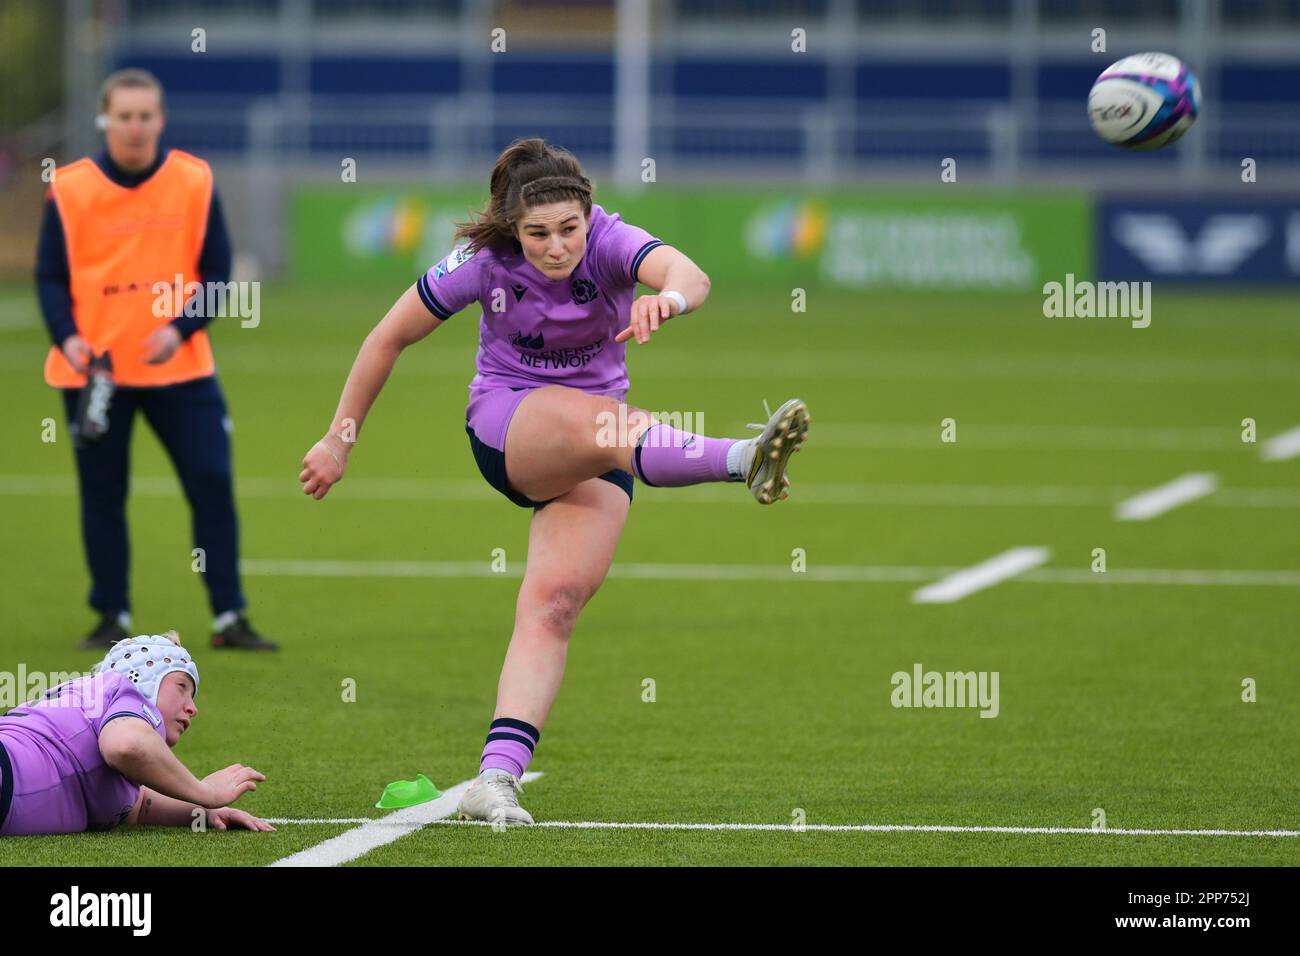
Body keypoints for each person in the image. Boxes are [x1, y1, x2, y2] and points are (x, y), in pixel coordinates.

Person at [299, 137, 809, 825]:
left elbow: (689, 274)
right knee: (604, 421)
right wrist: (340, 437)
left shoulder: (609, 239)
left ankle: (494, 781)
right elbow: (386, 337)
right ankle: (742, 460)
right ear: (513, 226)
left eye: (569, 229)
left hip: (599, 454)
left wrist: (670, 302)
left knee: (555, 603)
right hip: (509, 428)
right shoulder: (483, 262)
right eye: (538, 233)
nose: (557, 245)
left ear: (588, 216)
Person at [34, 68, 277, 652]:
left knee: (212, 481)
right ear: (105, 119)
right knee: (103, 493)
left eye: (146, 115)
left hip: (181, 369)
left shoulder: (193, 179)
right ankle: (111, 612)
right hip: (97, 373)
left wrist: (179, 328)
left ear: (161, 119)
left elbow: (218, 275)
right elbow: (49, 275)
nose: (136, 126)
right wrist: (67, 337)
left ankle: (228, 616)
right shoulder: (69, 187)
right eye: (124, 116)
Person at [0, 631, 272, 836]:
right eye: (181, 686)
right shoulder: (125, 692)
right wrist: (206, 792)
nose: (192, 708)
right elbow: (126, 746)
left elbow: (138, 808)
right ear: (143, 677)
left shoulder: (98, 722)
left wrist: (205, 812)